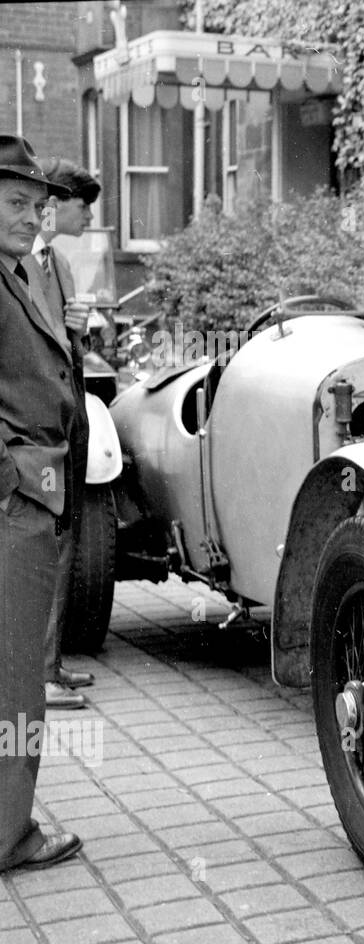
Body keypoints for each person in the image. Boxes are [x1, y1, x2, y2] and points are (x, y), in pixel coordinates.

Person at [0, 133, 84, 873]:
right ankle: (9, 832)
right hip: (15, 504)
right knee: (18, 680)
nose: (31, 217)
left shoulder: (14, 275)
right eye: (15, 203)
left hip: (24, 497)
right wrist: (14, 480)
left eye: (37, 205)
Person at [32, 158, 100, 710]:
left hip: (70, 415)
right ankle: (39, 674)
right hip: (40, 425)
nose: (89, 216)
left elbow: (67, 350)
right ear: (55, 204)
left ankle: (51, 664)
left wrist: (79, 333)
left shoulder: (60, 265)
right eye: (85, 205)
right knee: (46, 539)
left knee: (66, 536)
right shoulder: (21, 266)